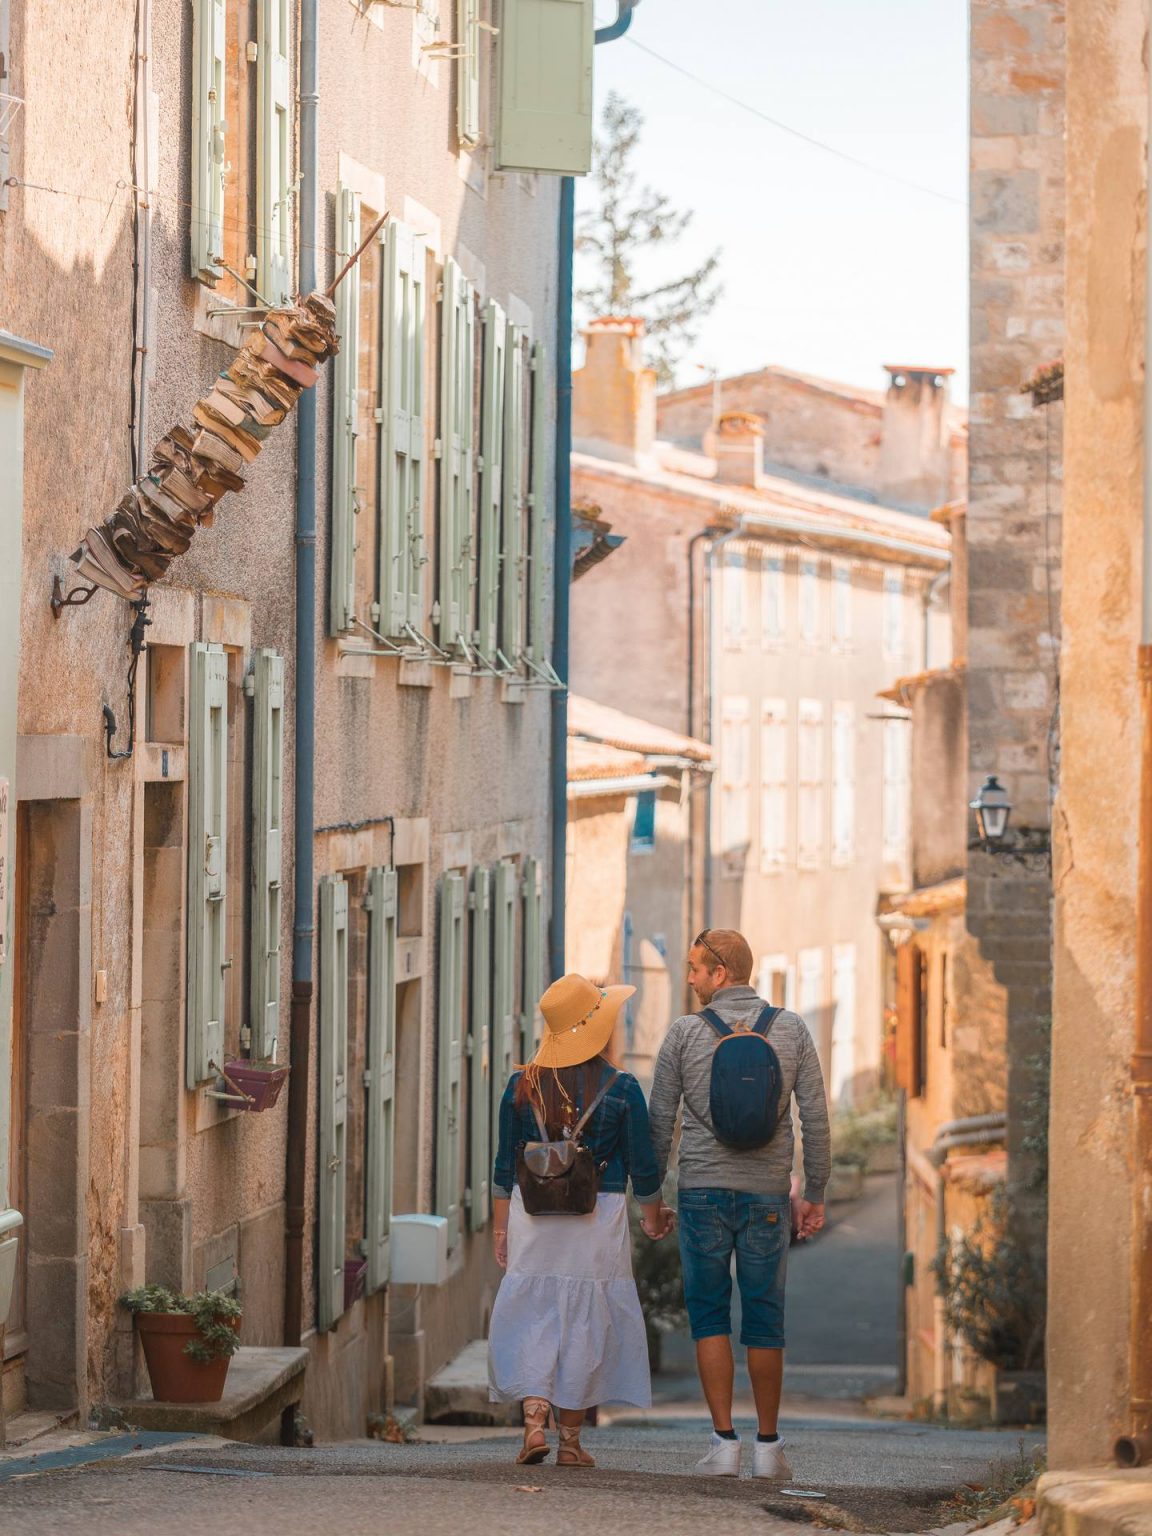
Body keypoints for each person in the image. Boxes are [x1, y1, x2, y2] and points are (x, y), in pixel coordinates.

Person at [648, 929, 831, 1481]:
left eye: (696, 969)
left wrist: (652, 1200)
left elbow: (661, 1124)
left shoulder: (684, 1034)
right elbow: (815, 1119)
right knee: (765, 1320)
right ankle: (769, 1447)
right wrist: (814, 1193)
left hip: (701, 1191)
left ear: (721, 973)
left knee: (708, 1318)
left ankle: (724, 1443)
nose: (690, 978)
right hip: (767, 1196)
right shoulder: (791, 1029)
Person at [488, 972, 673, 1468]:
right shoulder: (623, 1087)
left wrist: (501, 1230)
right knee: (583, 1322)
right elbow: (644, 1168)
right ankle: (570, 1441)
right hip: (598, 1216)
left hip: (534, 1215)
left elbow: (504, 1169)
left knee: (535, 1314)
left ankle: (533, 1422)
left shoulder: (520, 1086)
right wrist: (654, 1218)